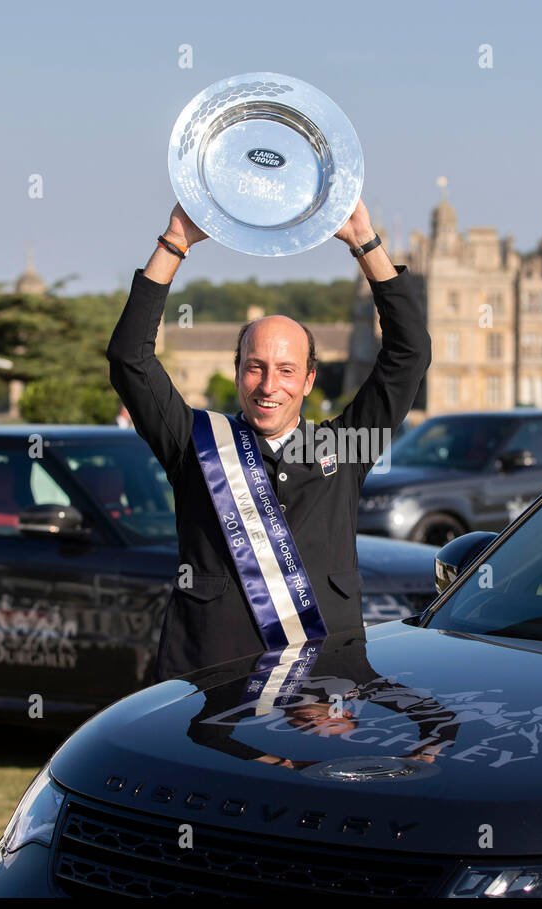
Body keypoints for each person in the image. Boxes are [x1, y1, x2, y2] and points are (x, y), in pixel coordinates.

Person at [107, 198, 429, 682]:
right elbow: (130, 358)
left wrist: (366, 243)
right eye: (255, 367)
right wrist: (175, 242)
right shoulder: (193, 443)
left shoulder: (344, 449)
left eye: (285, 370)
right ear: (237, 374)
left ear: (308, 380)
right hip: (209, 688)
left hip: (324, 692)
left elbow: (409, 354)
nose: (268, 384)